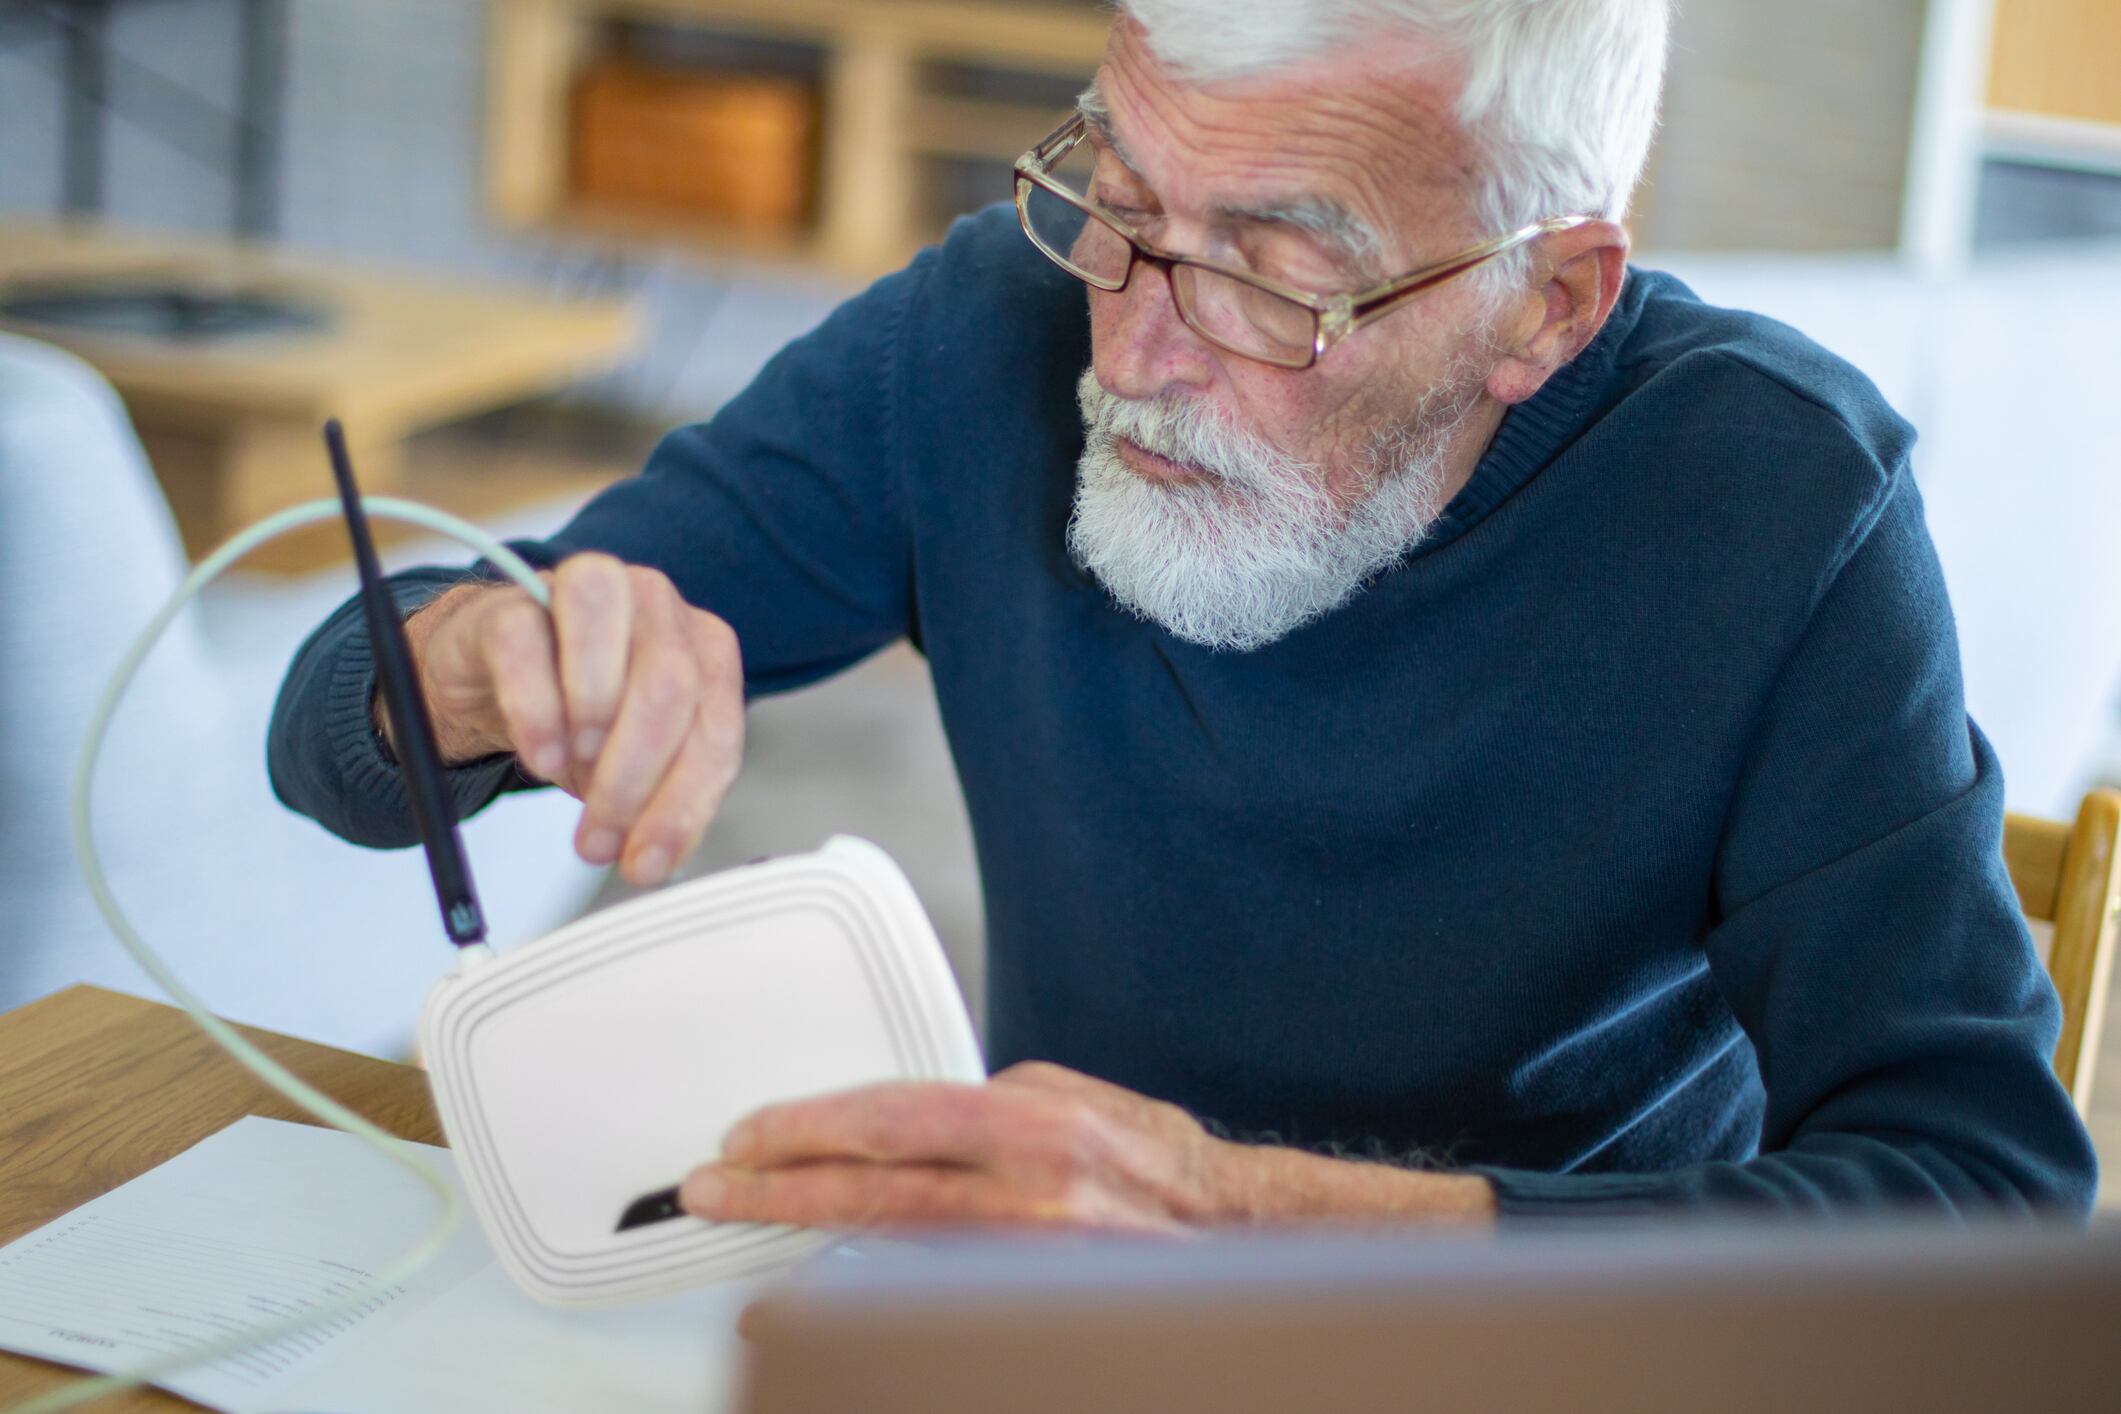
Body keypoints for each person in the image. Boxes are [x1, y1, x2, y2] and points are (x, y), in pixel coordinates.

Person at [269, 0, 2097, 1229]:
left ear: (1546, 302)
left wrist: (1222, 1208)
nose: (1131, 353)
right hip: (1049, 1329)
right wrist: (470, 670)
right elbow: (331, 740)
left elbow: (1984, 1196)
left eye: (1272, 277)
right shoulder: (986, 332)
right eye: (1118, 206)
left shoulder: (1773, 499)